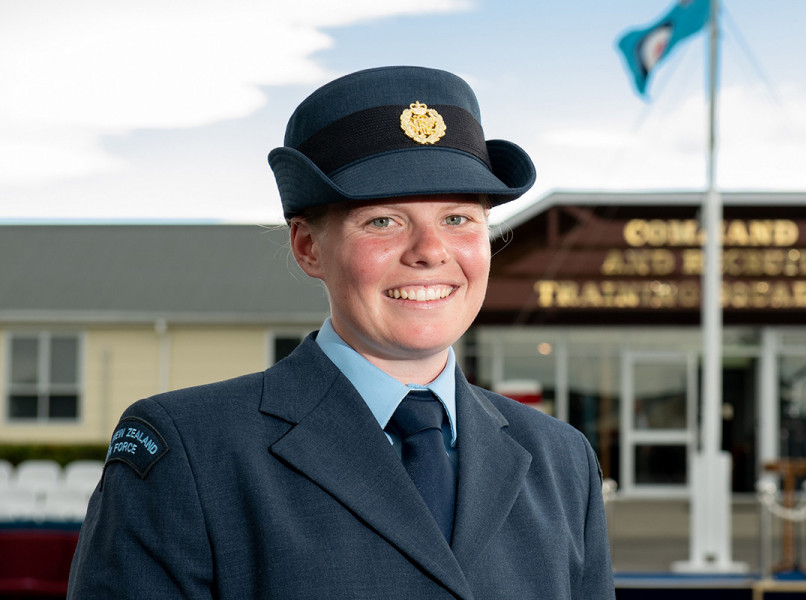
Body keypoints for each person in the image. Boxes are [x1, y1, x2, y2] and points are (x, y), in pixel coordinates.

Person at [67, 66, 615, 599]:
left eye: (458, 219)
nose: (429, 252)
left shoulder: (560, 459)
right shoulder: (189, 451)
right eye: (382, 220)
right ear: (308, 247)